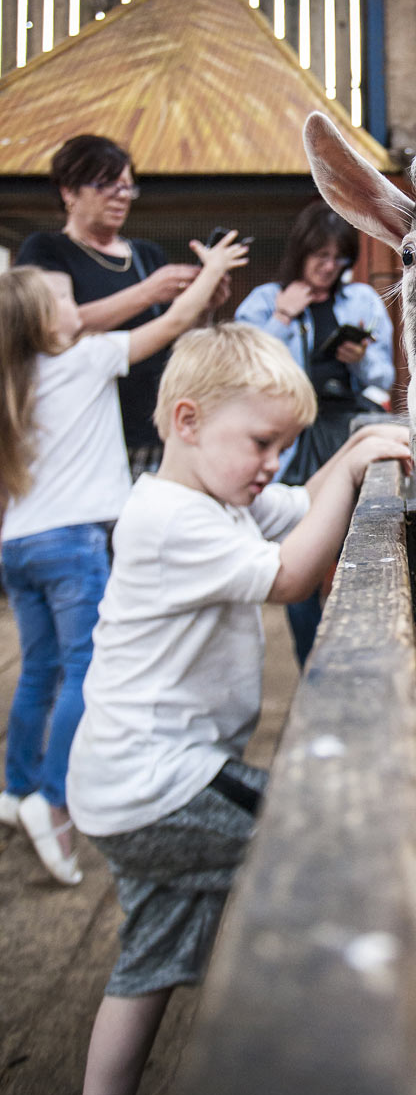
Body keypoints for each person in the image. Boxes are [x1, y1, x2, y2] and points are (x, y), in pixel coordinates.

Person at [66, 322, 410, 1095]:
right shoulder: (169, 520)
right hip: (161, 786)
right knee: (321, 855)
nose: (273, 465)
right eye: (260, 442)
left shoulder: (217, 497)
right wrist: (354, 463)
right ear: (187, 422)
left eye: (283, 446)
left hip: (130, 785)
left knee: (148, 963)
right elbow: (292, 574)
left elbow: (303, 503)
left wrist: (348, 464)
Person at [0, 235, 248, 887]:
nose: (75, 301)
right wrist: (215, 269)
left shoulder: (14, 379)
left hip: (17, 545)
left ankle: (14, 784)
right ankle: (52, 802)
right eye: (60, 298)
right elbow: (169, 325)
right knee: (84, 670)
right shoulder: (84, 359)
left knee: (38, 671)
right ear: (44, 322)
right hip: (72, 542)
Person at [235, 201, 396, 664]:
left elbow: (382, 376)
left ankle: (359, 648)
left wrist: (359, 359)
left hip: (345, 424)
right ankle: (310, 661)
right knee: (296, 541)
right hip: (292, 436)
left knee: (360, 537)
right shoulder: (267, 300)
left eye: (338, 258)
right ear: (300, 253)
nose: (329, 267)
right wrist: (282, 320)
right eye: (319, 257)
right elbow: (246, 372)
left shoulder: (362, 300)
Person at [16, 134, 231, 475]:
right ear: (69, 192)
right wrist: (147, 291)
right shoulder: (46, 249)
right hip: (83, 428)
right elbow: (56, 327)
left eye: (127, 187)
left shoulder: (146, 255)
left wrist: (205, 306)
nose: (121, 197)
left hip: (153, 426)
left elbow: (173, 333)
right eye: (107, 185)